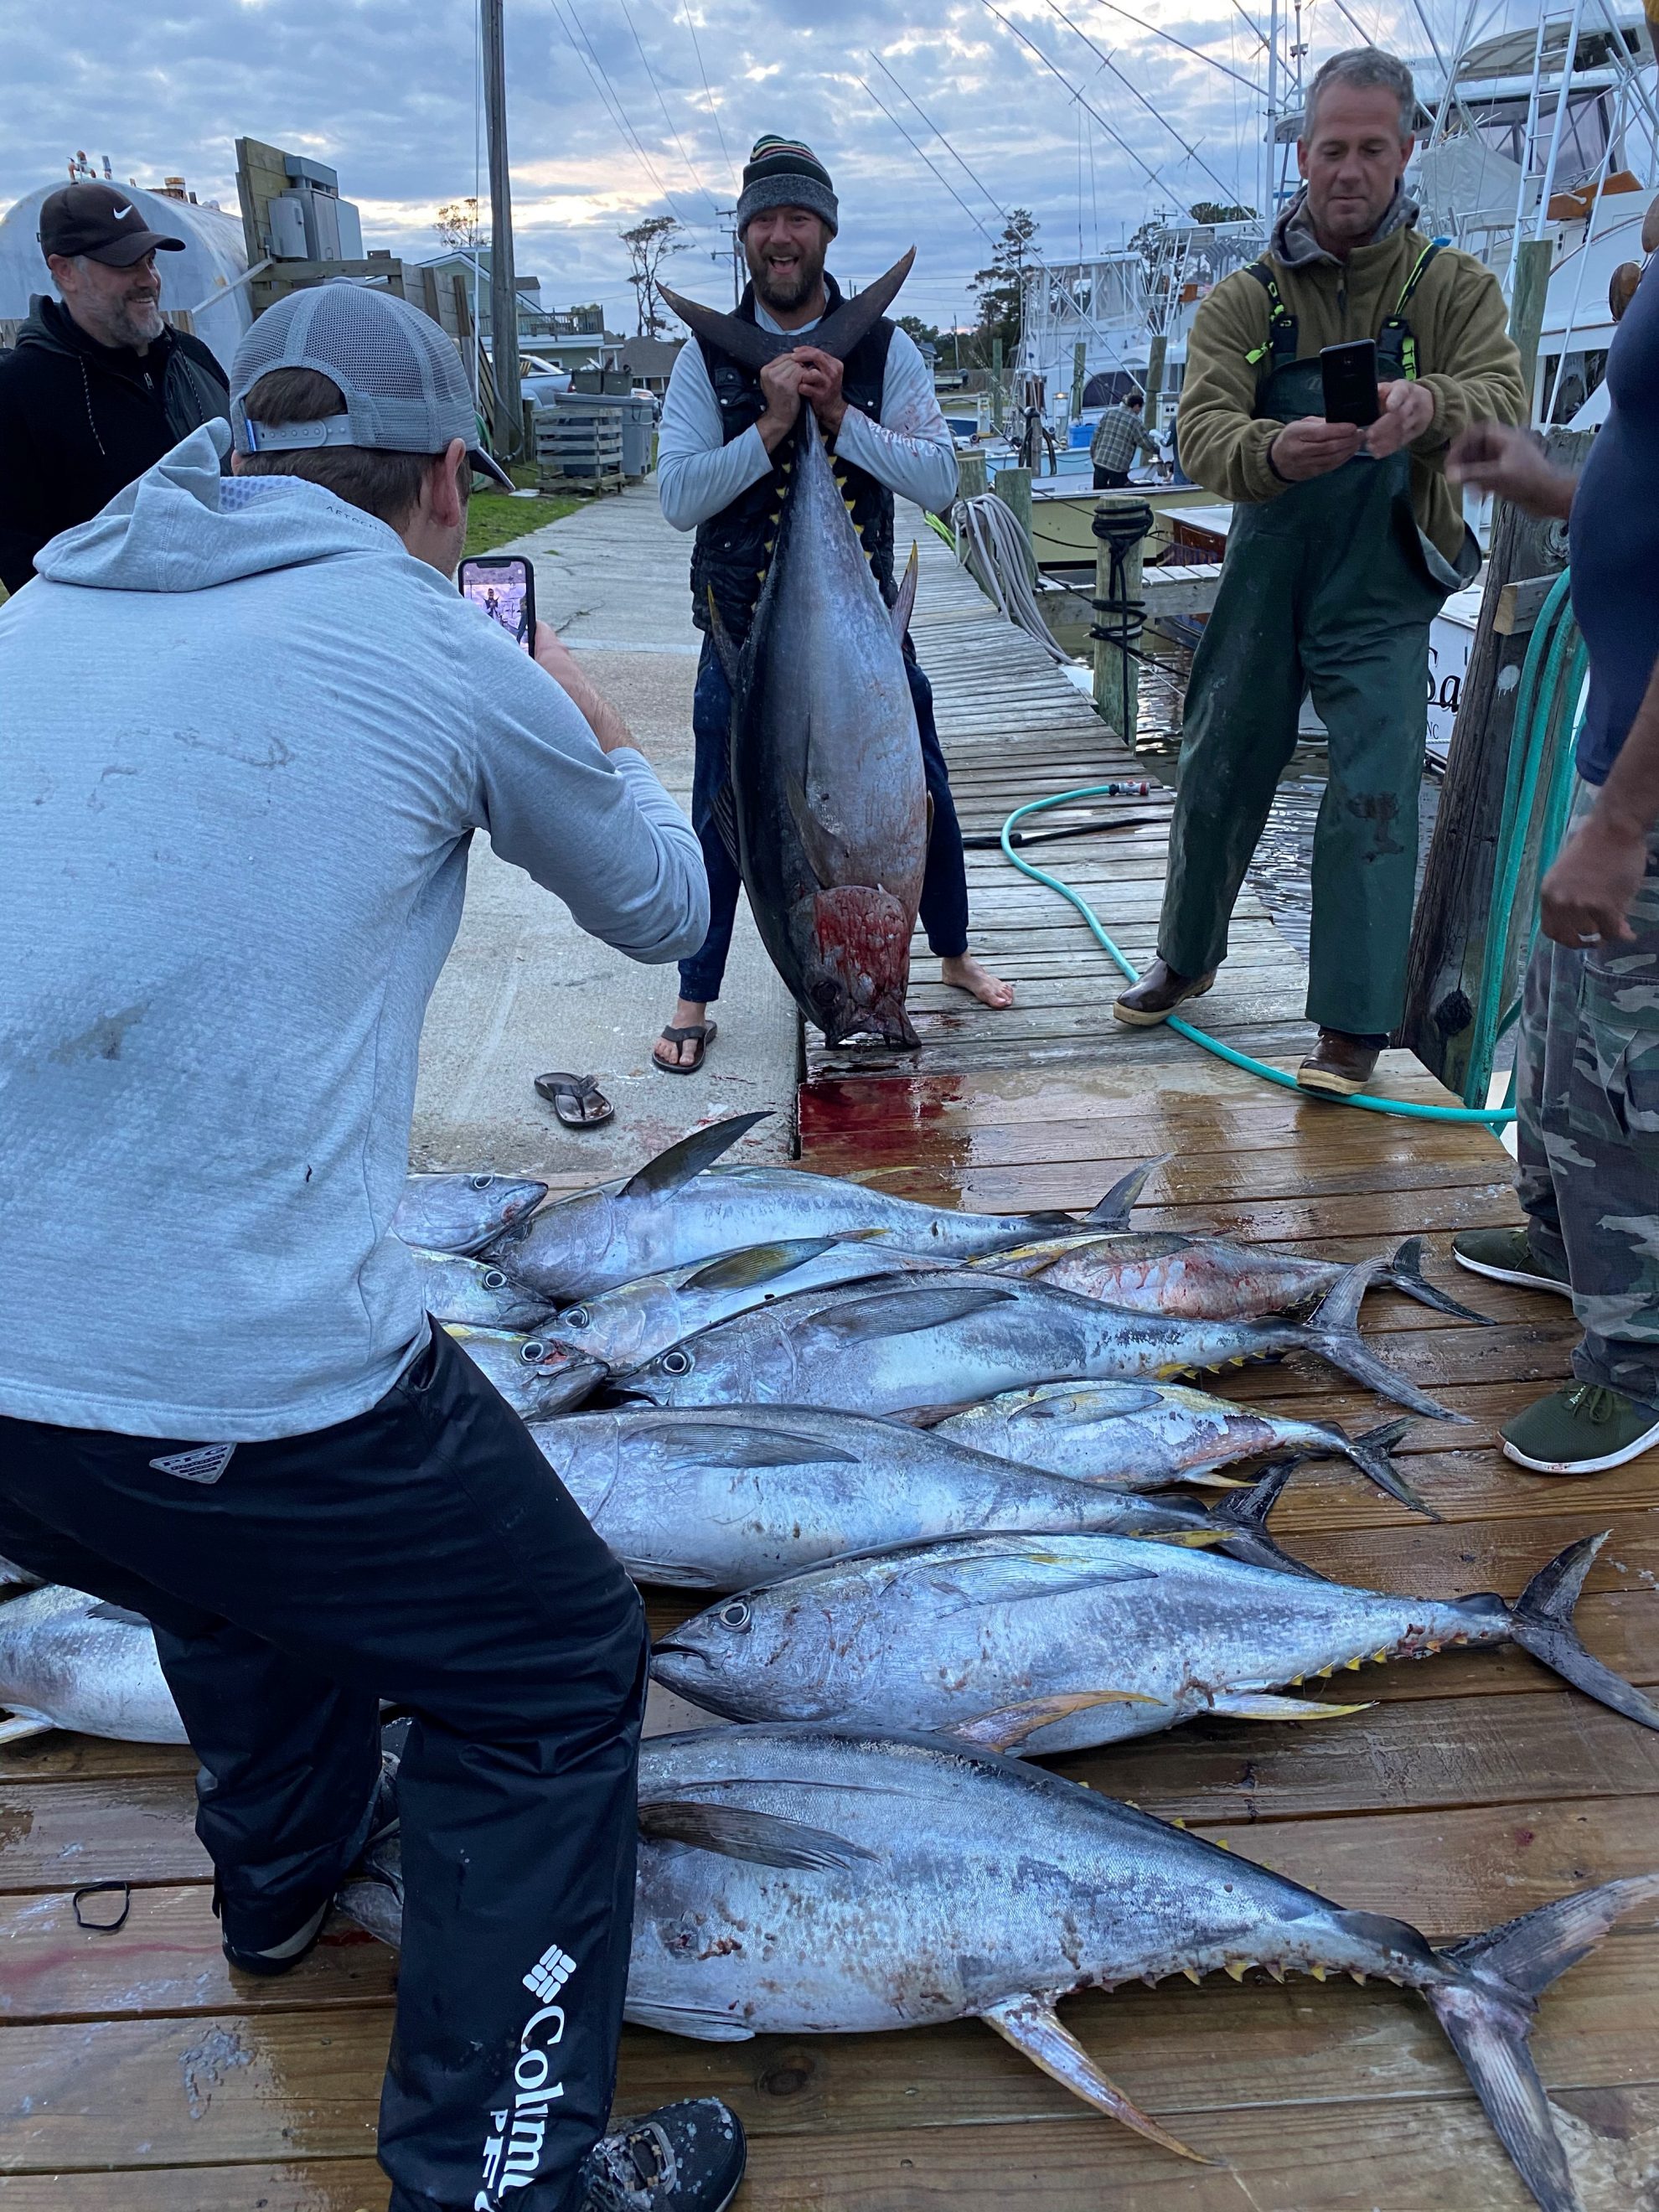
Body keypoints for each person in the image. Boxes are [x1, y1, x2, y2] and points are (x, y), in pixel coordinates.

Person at [0, 282, 745, 2212]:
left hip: (21, 1408)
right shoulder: (427, 638)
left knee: (227, 1542)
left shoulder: (43, 612)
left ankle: (278, 1890)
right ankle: (502, 2181)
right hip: (224, 1385)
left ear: (235, 451)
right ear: (440, 483)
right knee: (556, 1663)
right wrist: (581, 714)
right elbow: (664, 900)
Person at [1115, 47, 1527, 1095]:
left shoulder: (1452, 287)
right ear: (1302, 155)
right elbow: (1203, 424)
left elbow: (1506, 405)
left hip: (1382, 585)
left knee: (1376, 786)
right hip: (1266, 571)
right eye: (1331, 149)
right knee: (1216, 761)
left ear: (1406, 152)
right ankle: (1187, 955)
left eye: (1372, 149)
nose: (1349, 169)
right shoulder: (1245, 302)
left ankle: (1351, 1028)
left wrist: (1430, 409)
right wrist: (1268, 451)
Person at [653, 132, 1012, 1072]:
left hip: (865, 651)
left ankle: (956, 953)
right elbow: (677, 495)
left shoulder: (887, 351)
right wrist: (773, 424)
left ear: (825, 231)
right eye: (764, 220)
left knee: (924, 795)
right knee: (721, 819)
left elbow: (938, 481)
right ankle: (696, 993)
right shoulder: (705, 360)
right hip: (741, 645)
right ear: (744, 237)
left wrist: (838, 419)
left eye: (797, 218)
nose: (780, 235)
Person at [1444, 258, 1659, 1474]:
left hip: (1650, 779)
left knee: (1637, 1073)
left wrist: (1624, 823)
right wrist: (1559, 489)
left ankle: (1637, 1358)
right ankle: (1573, 1240)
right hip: (1618, 732)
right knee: (1564, 1037)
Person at [0, 181, 230, 594]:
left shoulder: (193, 358)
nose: (149, 280)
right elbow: (20, 550)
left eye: (151, 261)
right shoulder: (20, 390)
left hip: (226, 601)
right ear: (64, 271)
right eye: (126, 265)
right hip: (112, 632)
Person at [1089, 389, 1160, 488]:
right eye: (1140, 408)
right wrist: (1159, 451)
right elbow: (1145, 442)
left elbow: (1096, 437)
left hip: (1100, 462)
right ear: (1136, 406)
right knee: (1119, 496)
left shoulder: (1109, 414)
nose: (1139, 412)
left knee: (1098, 493)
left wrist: (1094, 456)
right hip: (1118, 466)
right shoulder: (1135, 421)